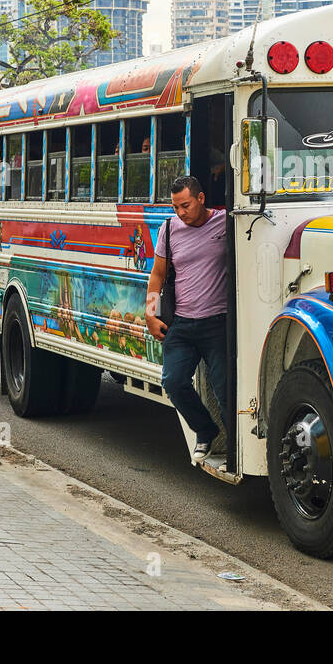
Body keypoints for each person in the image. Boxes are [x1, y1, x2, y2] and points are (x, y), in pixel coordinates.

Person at [145, 176, 229, 462]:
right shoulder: (169, 229)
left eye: (186, 205)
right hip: (181, 324)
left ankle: (238, 450)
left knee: (225, 390)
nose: (181, 212)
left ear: (201, 199)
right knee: (173, 381)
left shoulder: (226, 223)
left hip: (217, 324)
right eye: (176, 207)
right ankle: (205, 431)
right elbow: (157, 275)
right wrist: (150, 313)